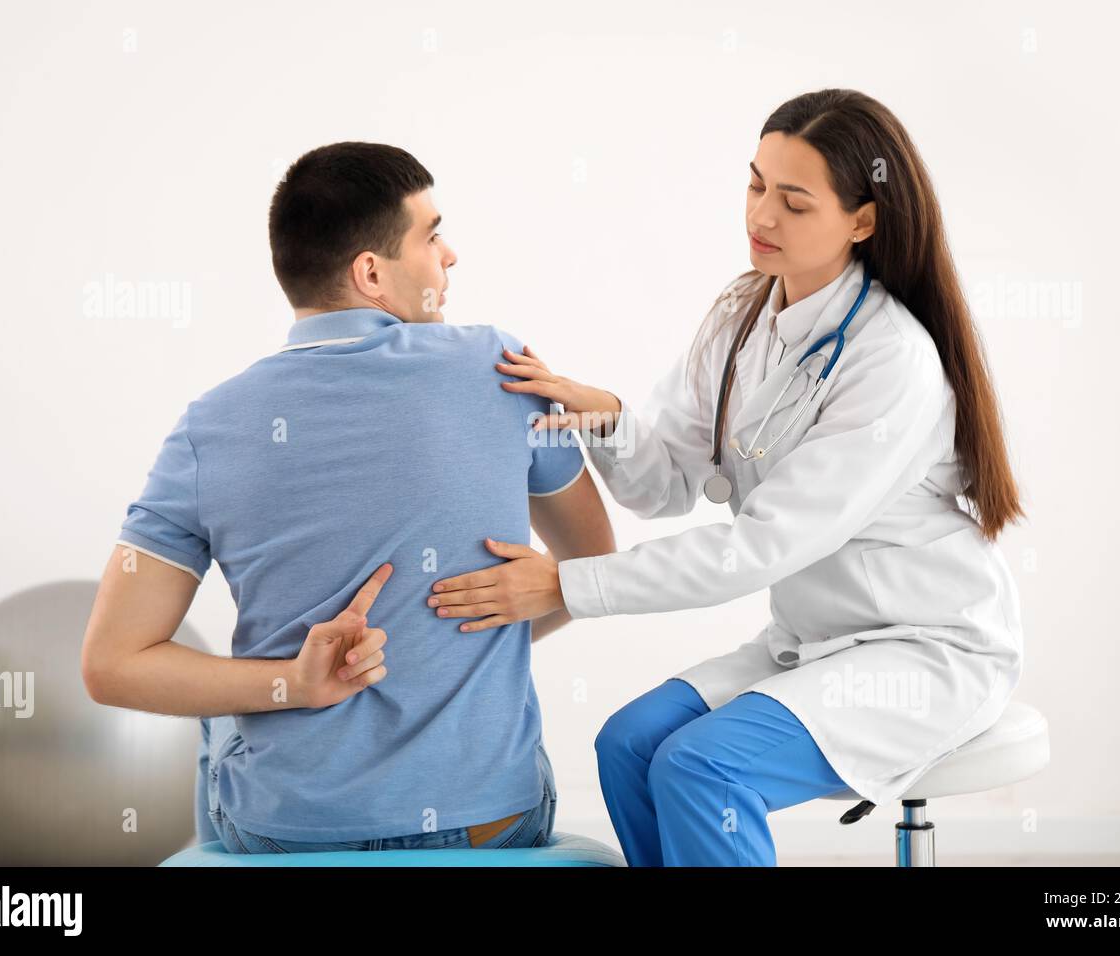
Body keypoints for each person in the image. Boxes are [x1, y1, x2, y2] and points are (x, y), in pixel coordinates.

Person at [424, 89, 1026, 866]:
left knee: (702, 766)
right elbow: (662, 486)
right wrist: (606, 416)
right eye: (755, 185)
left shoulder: (892, 359)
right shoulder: (744, 311)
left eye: (795, 202)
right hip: (813, 640)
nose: (762, 217)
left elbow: (762, 549)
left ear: (863, 220)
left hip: (922, 651)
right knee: (629, 746)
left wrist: (568, 586)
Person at [80, 142, 614, 854]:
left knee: (222, 727)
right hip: (487, 821)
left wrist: (293, 686)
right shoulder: (500, 369)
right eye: (431, 235)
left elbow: (113, 664)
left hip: (288, 829)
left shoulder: (207, 425)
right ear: (372, 273)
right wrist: (465, 637)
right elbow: (592, 562)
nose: (449, 255)